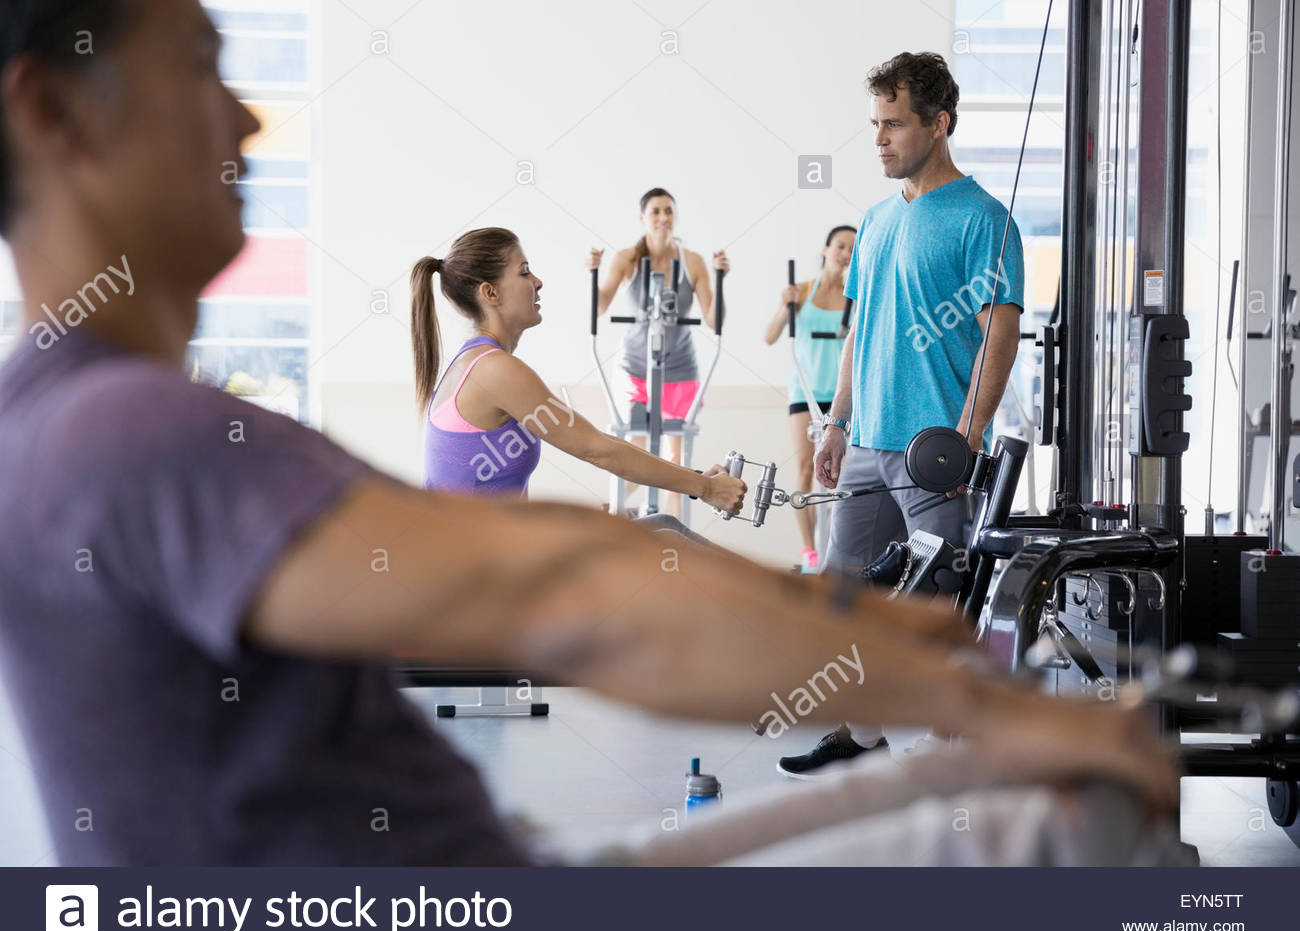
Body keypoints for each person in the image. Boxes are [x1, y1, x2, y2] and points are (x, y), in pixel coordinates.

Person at [0, 0, 1176, 867]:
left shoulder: (83, 415)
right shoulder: (125, 431)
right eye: (206, 68)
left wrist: (882, 625)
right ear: (54, 113)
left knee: (1010, 789)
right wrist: (972, 689)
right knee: (1079, 822)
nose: (247, 116)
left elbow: (582, 547)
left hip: (502, 861)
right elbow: (578, 582)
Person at [778, 51, 1027, 779]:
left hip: (931, 461)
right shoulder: (878, 218)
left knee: (934, 617)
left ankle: (951, 764)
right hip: (866, 448)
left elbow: (999, 335)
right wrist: (835, 423)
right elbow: (862, 331)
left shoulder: (984, 221)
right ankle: (862, 735)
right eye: (875, 125)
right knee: (843, 601)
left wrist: (965, 440)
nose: (879, 140)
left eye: (894, 124)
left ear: (938, 123)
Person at [410, 227, 744, 530]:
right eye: (524, 272)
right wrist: (707, 488)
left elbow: (600, 448)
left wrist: (699, 480)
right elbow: (598, 450)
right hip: (478, 571)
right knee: (666, 535)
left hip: (485, 554)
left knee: (662, 528)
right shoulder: (495, 370)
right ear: (491, 293)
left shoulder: (473, 362)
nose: (537, 282)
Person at [586, 188, 729, 518]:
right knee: (636, 446)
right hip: (635, 365)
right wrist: (592, 272)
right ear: (642, 218)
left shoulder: (691, 261)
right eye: (656, 211)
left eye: (669, 211)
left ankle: (671, 534)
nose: (663, 217)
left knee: (674, 461)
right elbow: (601, 305)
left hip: (679, 366)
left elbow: (713, 318)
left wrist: (720, 279)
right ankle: (613, 512)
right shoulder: (628, 258)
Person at [762, 226, 856, 572]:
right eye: (840, 246)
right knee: (805, 468)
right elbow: (770, 336)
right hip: (805, 391)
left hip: (842, 397)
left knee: (842, 475)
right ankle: (809, 553)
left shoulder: (856, 295)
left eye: (852, 248)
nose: (845, 253)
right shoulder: (801, 290)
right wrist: (783, 306)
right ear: (826, 248)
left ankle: (836, 551)